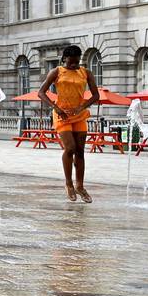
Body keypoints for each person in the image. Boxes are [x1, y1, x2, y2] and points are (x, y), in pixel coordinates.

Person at [38, 44, 99, 203]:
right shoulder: (56, 72)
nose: (74, 65)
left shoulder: (85, 73)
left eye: (77, 62)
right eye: (71, 62)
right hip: (62, 114)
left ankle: (80, 185)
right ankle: (68, 184)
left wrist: (82, 106)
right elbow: (41, 92)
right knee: (70, 148)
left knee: (80, 151)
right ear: (64, 59)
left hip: (79, 114)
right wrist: (55, 107)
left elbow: (95, 95)